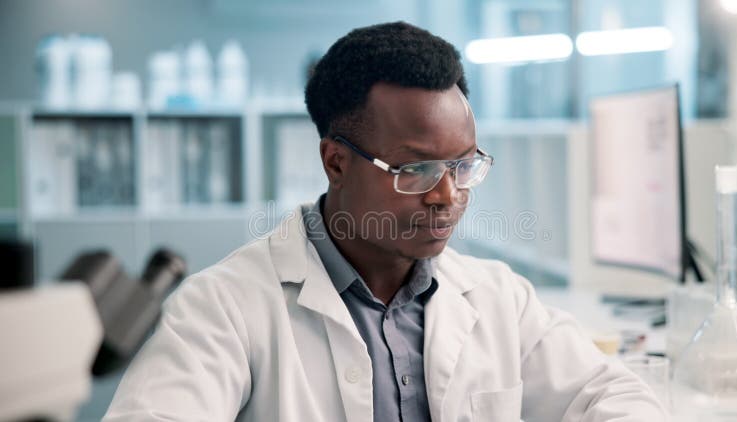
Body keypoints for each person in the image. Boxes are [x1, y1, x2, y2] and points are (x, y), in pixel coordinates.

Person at [104, 21, 667, 422]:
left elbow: (608, 394)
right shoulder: (224, 308)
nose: (447, 195)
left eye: (462, 165)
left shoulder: (500, 298)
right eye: (416, 170)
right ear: (335, 162)